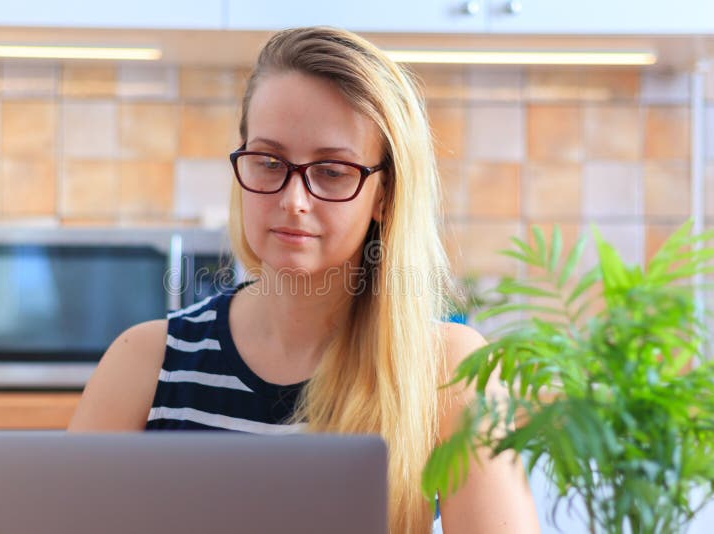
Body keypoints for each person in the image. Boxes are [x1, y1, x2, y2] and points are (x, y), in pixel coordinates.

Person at [69, 26, 539, 534]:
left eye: (333, 171)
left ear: (384, 195)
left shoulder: (445, 371)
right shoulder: (144, 364)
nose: (293, 200)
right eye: (269, 162)